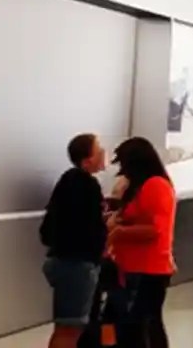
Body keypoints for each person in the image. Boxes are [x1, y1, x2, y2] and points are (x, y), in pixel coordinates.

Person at [40, 134, 108, 348]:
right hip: (77, 264)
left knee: (66, 328)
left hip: (63, 261)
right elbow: (90, 229)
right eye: (99, 150)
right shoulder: (87, 185)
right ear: (87, 160)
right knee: (70, 330)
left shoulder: (67, 181)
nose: (104, 153)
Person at [108, 137, 176, 348]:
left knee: (142, 324)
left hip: (148, 268)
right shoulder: (140, 186)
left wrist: (120, 232)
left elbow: (156, 229)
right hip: (132, 266)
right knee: (141, 323)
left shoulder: (156, 185)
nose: (122, 170)